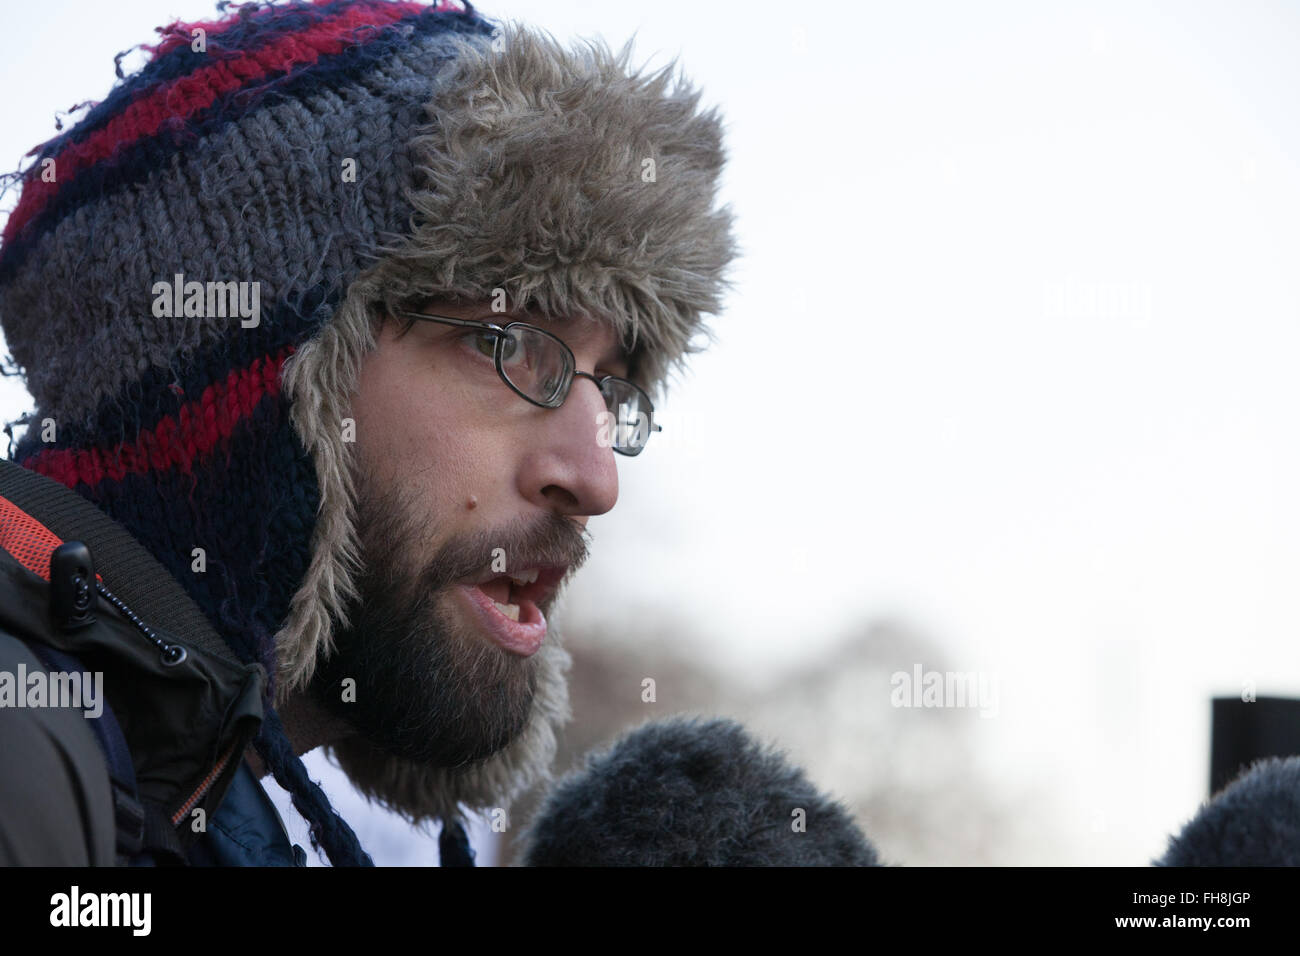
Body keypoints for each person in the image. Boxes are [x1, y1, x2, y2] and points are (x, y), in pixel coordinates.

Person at [0, 0, 736, 866]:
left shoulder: (221, 805)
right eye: (501, 342)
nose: (594, 479)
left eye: (611, 387)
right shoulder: (29, 771)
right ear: (271, 379)